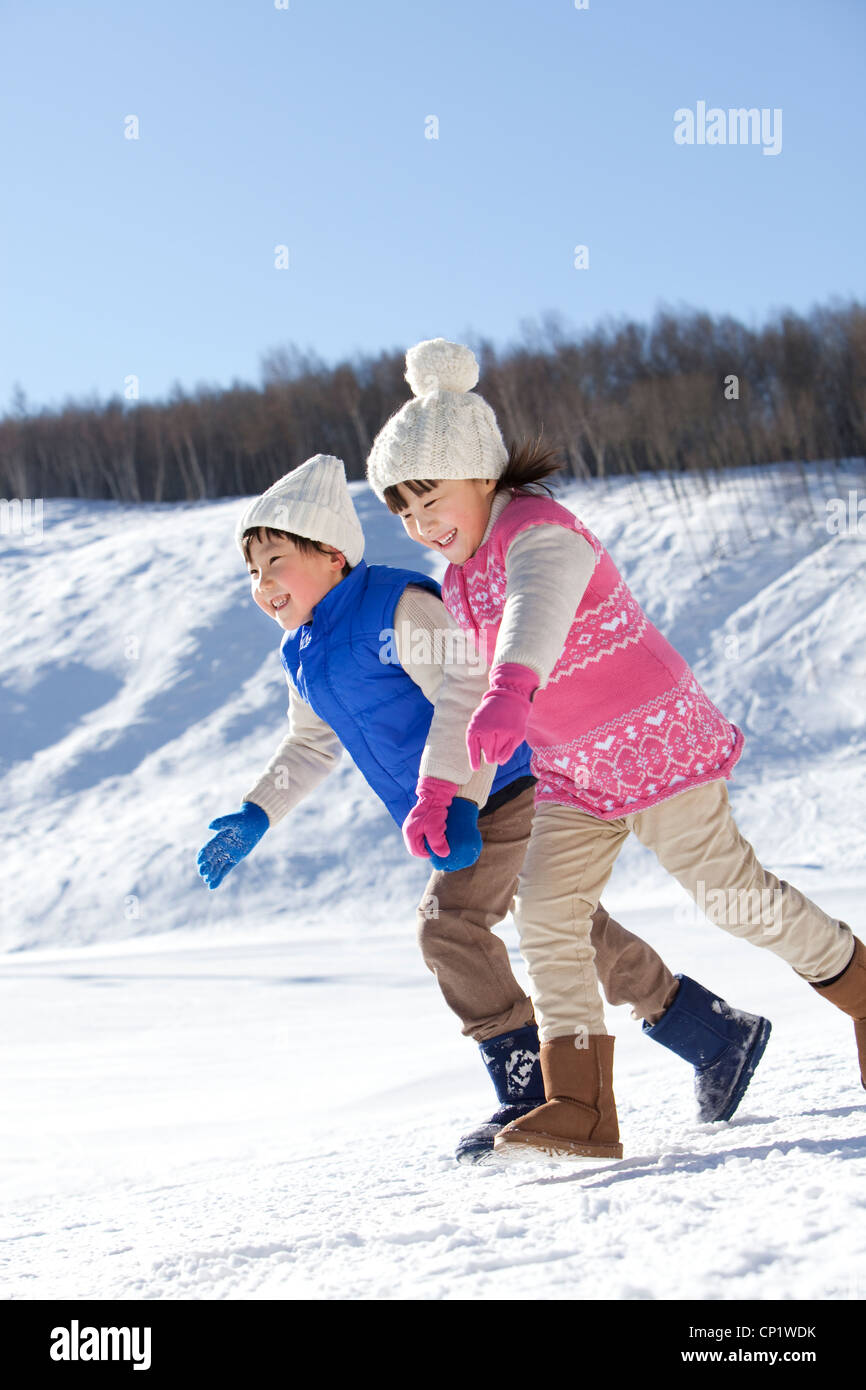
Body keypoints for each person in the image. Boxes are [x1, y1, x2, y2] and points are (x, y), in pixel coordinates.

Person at [366, 337, 865, 1163]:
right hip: (576, 775)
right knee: (550, 916)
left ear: (483, 476)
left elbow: (537, 614)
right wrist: (441, 789)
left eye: (432, 499)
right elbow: (460, 691)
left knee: (732, 896)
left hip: (654, 747)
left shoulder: (540, 532)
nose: (422, 524)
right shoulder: (457, 583)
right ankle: (582, 1107)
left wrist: (511, 689)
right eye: (404, 512)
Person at [197, 454, 770, 1163]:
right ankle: (711, 1032)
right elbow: (310, 746)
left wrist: (461, 800)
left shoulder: (398, 607)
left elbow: (462, 697)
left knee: (450, 926)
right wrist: (256, 813)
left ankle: (528, 1085)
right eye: (252, 572)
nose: (263, 585)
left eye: (276, 561)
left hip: (509, 783)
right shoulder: (303, 654)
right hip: (461, 806)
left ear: (332, 552)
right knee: (565, 923)